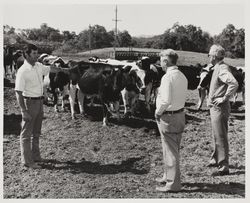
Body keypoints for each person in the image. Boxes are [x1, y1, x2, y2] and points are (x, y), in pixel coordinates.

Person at [15, 44, 63, 169]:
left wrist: (65, 70)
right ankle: (27, 161)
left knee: (36, 132)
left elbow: (50, 69)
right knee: (26, 133)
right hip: (29, 102)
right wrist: (23, 111)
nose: (37, 55)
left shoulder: (38, 66)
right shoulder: (22, 71)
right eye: (34, 53)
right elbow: (18, 93)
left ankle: (36, 156)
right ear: (27, 54)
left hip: (39, 102)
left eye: (37, 53)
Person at [154, 49, 188, 192]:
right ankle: (168, 175)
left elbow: (166, 100)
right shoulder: (181, 76)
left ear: (166, 61)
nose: (160, 64)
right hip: (180, 115)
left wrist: (158, 112)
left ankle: (173, 184)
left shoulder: (167, 77)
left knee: (170, 151)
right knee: (171, 148)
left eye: (161, 61)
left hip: (168, 116)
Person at [206, 44, 239, 176]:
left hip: (219, 107)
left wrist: (224, 97)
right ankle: (215, 158)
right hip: (216, 107)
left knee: (220, 136)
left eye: (209, 55)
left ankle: (223, 165)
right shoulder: (219, 67)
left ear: (214, 56)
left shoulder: (222, 68)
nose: (208, 57)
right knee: (217, 134)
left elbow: (234, 83)